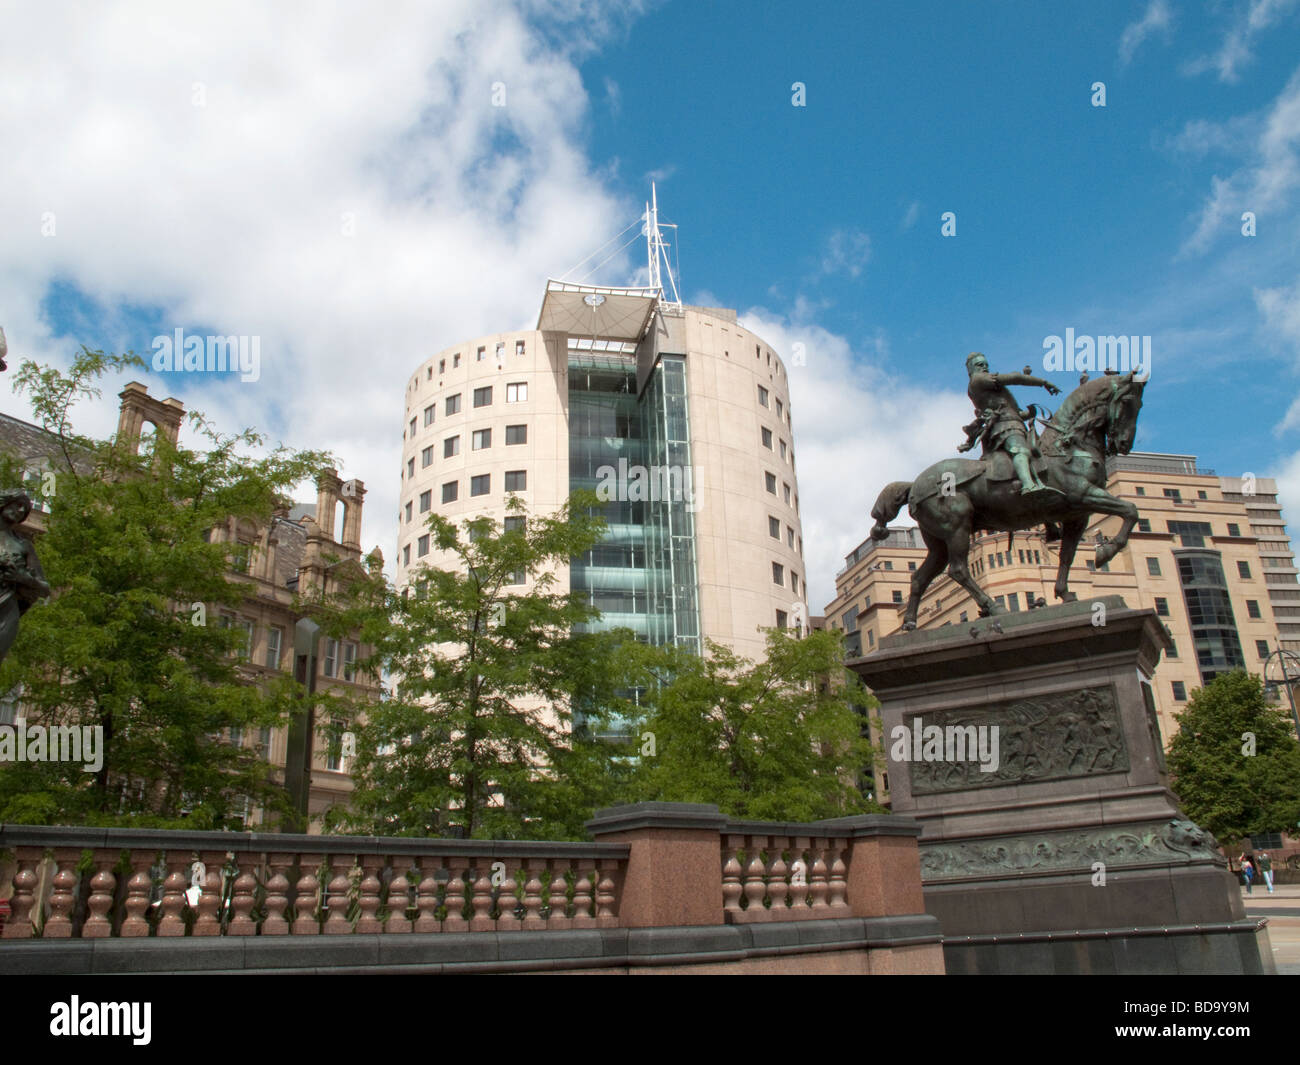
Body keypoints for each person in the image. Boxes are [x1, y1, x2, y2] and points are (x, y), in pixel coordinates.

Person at [957, 353, 1061, 497]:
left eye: (986, 364)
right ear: (971, 369)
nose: (985, 367)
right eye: (980, 365)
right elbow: (1015, 378)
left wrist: (1029, 413)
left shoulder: (993, 389)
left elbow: (1017, 414)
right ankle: (1028, 485)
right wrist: (1043, 382)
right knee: (1020, 451)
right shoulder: (978, 379)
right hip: (1004, 427)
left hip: (1013, 423)